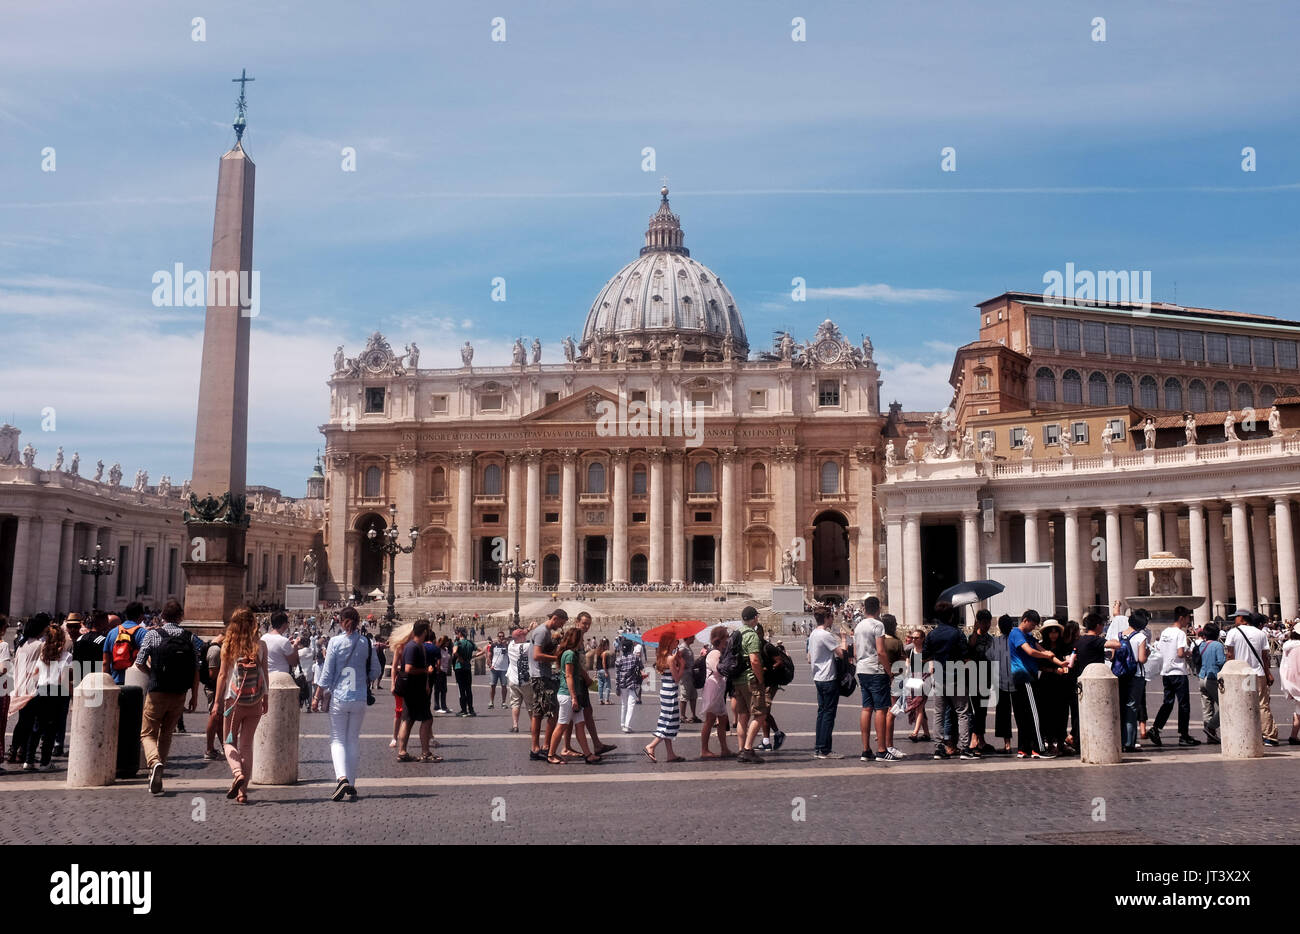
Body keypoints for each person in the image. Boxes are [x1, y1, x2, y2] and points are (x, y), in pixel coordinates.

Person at [134, 600, 204, 796]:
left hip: (157, 690)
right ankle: (158, 775)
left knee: (147, 733)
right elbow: (196, 668)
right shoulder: (190, 638)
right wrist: (194, 696)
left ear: (162, 616)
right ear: (181, 617)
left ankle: (154, 762)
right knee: (166, 735)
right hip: (179, 693)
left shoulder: (153, 634)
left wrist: (152, 674)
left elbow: (139, 662)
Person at [317, 606, 379, 800]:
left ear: (340, 621)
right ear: (358, 621)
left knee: (337, 739)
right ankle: (351, 783)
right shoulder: (366, 642)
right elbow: (375, 672)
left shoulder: (334, 642)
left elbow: (326, 674)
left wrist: (317, 695)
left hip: (339, 698)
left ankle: (341, 778)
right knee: (352, 739)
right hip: (359, 697)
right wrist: (364, 675)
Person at [214, 608, 268, 804]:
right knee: (246, 746)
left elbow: (221, 676)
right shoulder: (260, 645)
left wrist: (217, 702)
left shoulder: (228, 645)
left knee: (228, 742)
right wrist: (266, 698)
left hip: (233, 701)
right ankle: (242, 793)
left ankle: (237, 773)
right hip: (254, 700)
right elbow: (265, 674)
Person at [1010, 610, 1067, 759]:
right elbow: (1031, 652)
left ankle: (1024, 748)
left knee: (1024, 715)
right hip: (1025, 677)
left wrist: (1059, 662)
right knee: (1034, 714)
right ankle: (1038, 748)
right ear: (1026, 620)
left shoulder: (1029, 636)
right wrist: (1045, 655)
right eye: (1033, 624)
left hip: (1023, 678)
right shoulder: (1016, 633)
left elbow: (1045, 651)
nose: (1033, 628)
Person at [923, 601, 976, 760]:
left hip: (939, 677)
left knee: (939, 713)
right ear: (951, 615)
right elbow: (966, 656)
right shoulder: (957, 633)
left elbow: (925, 656)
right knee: (962, 713)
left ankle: (938, 748)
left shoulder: (932, 634)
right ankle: (964, 748)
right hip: (957, 676)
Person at [1149, 606, 1201, 748]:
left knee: (1168, 702)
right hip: (1178, 672)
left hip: (1166, 672)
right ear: (1181, 618)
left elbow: (1159, 649)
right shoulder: (1180, 633)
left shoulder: (1165, 632)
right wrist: (1189, 653)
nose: (1188, 621)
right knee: (1184, 705)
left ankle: (1155, 728)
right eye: (1188, 618)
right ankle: (1183, 736)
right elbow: (1180, 653)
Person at [1225, 610, 1278, 746]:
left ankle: (1245, 732)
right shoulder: (1260, 633)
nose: (1234, 620)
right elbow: (1265, 657)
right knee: (1262, 705)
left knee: (1242, 704)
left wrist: (1227, 670)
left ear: (1241, 618)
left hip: (1240, 674)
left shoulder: (1233, 632)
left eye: (1235, 617)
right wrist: (1268, 674)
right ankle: (1269, 735)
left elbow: (1230, 655)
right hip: (1258, 673)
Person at [26, 621, 73, 771]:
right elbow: (64, 680)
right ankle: (45, 762)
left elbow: (34, 675)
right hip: (57, 692)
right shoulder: (67, 656)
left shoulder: (42, 655)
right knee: (51, 729)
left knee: (37, 727)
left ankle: (29, 760)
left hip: (41, 690)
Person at [549, 627, 600, 764]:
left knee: (580, 724)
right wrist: (573, 697)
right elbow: (569, 676)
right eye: (581, 638)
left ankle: (588, 754)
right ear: (575, 639)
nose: (583, 641)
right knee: (562, 725)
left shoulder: (570, 653)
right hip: (568, 695)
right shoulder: (570, 654)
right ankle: (551, 754)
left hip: (572, 694)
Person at [1106, 609, 1150, 752]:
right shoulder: (1140, 637)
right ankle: (1129, 742)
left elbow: (1111, 656)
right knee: (1131, 708)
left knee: (1121, 707)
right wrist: (1147, 653)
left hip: (1120, 674)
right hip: (1136, 676)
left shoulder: (1118, 636)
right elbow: (1142, 659)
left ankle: (1118, 739)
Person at [396, 620, 441, 762]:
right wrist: (426, 671)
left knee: (408, 720)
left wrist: (426, 682)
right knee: (427, 720)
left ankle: (402, 752)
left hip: (416, 689)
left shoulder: (417, 646)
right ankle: (425, 753)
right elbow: (408, 669)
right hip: (415, 690)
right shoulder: (413, 647)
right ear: (425, 631)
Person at [527, 610, 568, 759]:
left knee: (537, 713)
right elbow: (537, 655)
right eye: (561, 623)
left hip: (539, 675)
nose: (561, 626)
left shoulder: (545, 632)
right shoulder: (542, 632)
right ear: (555, 618)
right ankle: (546, 747)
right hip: (541, 677)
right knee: (553, 712)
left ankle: (535, 749)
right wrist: (556, 657)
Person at [810, 607, 849, 759]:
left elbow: (809, 657)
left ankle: (818, 748)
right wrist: (844, 638)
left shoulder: (813, 634)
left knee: (821, 713)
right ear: (826, 618)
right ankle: (825, 750)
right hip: (828, 678)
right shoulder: (826, 635)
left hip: (818, 677)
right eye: (831, 617)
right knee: (828, 715)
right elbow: (841, 654)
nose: (832, 620)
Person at [854, 596, 890, 761]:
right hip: (875, 669)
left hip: (861, 669)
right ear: (878, 608)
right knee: (881, 709)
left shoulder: (858, 626)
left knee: (866, 708)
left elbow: (855, 652)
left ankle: (865, 749)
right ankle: (882, 750)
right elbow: (881, 651)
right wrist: (890, 672)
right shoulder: (878, 624)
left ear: (864, 608)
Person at [731, 606, 767, 764]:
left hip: (737, 680)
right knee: (760, 714)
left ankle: (740, 749)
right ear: (754, 618)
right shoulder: (751, 635)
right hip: (750, 679)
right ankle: (747, 749)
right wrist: (760, 679)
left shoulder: (736, 633)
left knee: (742, 716)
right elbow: (754, 660)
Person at [643, 633, 686, 763]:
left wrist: (676, 659)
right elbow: (677, 678)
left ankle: (670, 754)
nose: (677, 642)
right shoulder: (670, 659)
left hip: (665, 691)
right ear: (669, 643)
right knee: (668, 722)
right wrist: (682, 665)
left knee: (668, 720)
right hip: (671, 692)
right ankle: (651, 746)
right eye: (674, 641)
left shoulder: (662, 657)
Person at [699, 625, 733, 758]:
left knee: (723, 718)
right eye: (726, 636)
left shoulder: (720, 652)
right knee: (710, 719)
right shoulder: (714, 653)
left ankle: (724, 749)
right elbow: (719, 669)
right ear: (720, 639)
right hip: (713, 687)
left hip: (718, 687)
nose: (728, 639)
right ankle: (704, 750)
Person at [1036, 620, 1069, 755]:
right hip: (1047, 683)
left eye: (1056, 632)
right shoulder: (1042, 647)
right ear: (1046, 633)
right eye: (1051, 632)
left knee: (1062, 713)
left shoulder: (1063, 647)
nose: (1053, 635)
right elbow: (1039, 666)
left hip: (1062, 683)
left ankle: (1061, 742)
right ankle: (1050, 743)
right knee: (1048, 714)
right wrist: (1053, 670)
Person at [1197, 620, 1226, 744]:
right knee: (1225, 705)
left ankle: (1210, 736)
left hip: (1201, 677)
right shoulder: (1218, 645)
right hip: (1212, 678)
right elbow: (1220, 661)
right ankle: (1211, 727)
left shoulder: (1202, 645)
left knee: (1207, 707)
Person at [103, 603, 146, 686]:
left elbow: (105, 662)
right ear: (141, 616)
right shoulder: (143, 633)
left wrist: (105, 684)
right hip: (135, 683)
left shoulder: (112, 633)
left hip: (115, 681)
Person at [904, 628, 932, 742]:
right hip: (913, 681)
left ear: (922, 639)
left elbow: (931, 665)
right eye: (912, 638)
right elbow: (907, 663)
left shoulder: (926, 651)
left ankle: (915, 733)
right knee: (921, 708)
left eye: (916, 638)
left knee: (919, 707)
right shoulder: (910, 650)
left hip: (925, 681)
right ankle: (926, 734)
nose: (913, 640)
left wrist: (930, 668)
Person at [615, 635, 645, 733]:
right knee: (631, 704)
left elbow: (617, 675)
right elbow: (641, 667)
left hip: (622, 684)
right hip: (632, 684)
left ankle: (622, 723)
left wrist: (617, 687)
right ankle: (627, 725)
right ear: (631, 648)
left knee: (624, 704)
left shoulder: (618, 659)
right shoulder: (635, 658)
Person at [202, 633, 225, 759]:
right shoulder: (215, 650)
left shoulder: (216, 648)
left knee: (219, 719)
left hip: (217, 688)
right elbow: (213, 674)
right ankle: (209, 749)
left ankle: (224, 746)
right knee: (215, 716)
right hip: (214, 688)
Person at [451, 627, 483, 717]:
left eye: (457, 633)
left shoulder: (458, 642)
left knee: (461, 689)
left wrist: (459, 657)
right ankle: (471, 709)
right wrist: (472, 656)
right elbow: (482, 650)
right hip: (467, 668)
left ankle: (464, 710)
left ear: (460, 634)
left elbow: (454, 651)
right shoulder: (470, 643)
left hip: (459, 668)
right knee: (468, 689)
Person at [262, 612, 302, 677]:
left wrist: (287, 643)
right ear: (284, 624)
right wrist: (295, 646)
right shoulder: (284, 641)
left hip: (266, 676)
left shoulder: (263, 637)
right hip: (280, 677)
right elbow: (294, 663)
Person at [505, 627, 530, 733]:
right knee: (531, 705)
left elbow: (518, 636)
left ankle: (515, 725)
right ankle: (533, 725)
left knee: (515, 703)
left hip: (513, 680)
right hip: (526, 681)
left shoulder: (510, 645)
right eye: (524, 635)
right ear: (521, 637)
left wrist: (526, 630)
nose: (525, 636)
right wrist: (530, 629)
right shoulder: (527, 646)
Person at [1280, 622, 1300, 745]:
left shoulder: (1288, 646)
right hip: (1298, 679)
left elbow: (1285, 665)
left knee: (1298, 709)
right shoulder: (1298, 647)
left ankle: (1293, 735)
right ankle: (1293, 736)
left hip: (1291, 681)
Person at [677, 634, 701, 723]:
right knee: (685, 694)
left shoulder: (687, 647)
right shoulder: (683, 647)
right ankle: (682, 716)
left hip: (691, 674)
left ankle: (693, 715)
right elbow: (677, 658)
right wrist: (683, 665)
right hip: (685, 675)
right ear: (689, 637)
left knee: (693, 695)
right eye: (693, 637)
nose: (694, 638)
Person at [486, 629, 510, 710]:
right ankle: (491, 702)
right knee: (492, 685)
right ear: (497, 637)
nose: (501, 637)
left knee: (504, 686)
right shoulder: (494, 645)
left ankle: (503, 702)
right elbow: (489, 655)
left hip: (504, 669)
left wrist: (506, 644)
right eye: (500, 636)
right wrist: (490, 665)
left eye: (503, 636)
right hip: (494, 669)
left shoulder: (507, 645)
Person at [432, 635, 451, 713]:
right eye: (447, 642)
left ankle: (444, 706)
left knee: (444, 689)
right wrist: (438, 669)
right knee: (437, 689)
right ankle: (437, 706)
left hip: (444, 671)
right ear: (444, 642)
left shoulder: (446, 650)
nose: (448, 643)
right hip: (439, 671)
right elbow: (435, 660)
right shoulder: (438, 650)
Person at [597, 638, 614, 705]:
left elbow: (597, 662)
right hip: (604, 670)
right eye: (608, 645)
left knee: (600, 686)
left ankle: (601, 700)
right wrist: (606, 672)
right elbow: (603, 663)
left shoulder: (598, 651)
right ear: (605, 645)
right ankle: (607, 700)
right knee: (607, 686)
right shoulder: (604, 653)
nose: (608, 646)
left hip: (599, 671)